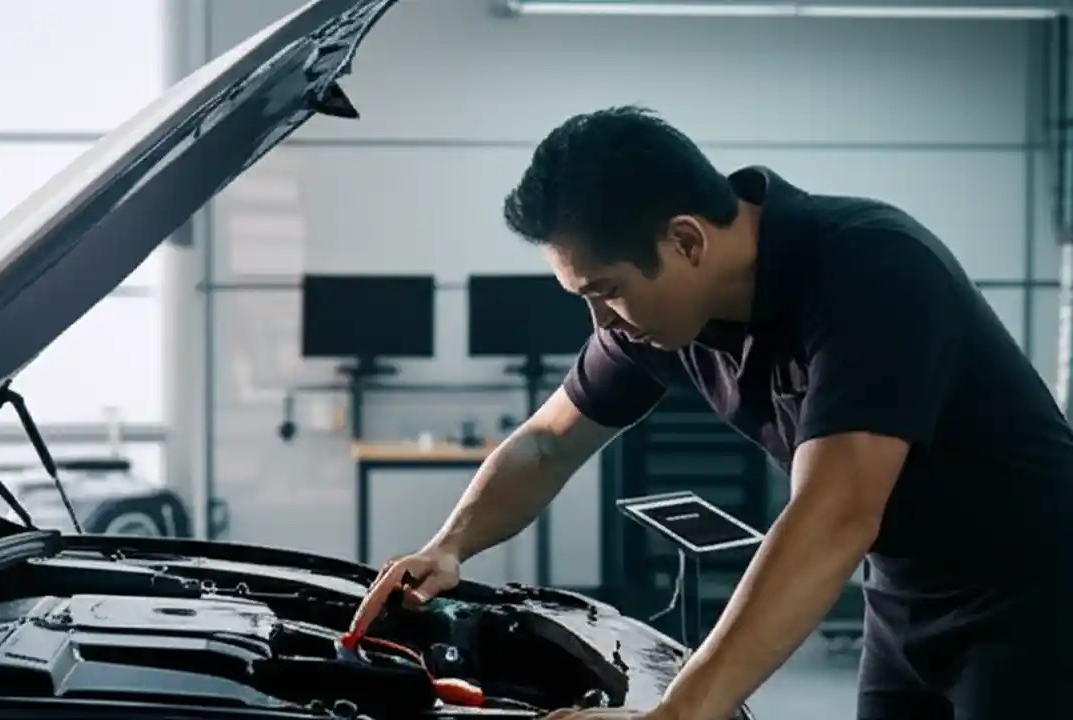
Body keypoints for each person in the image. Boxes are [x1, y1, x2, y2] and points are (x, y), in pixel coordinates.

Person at [346, 106, 1073, 719]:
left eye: (607, 289)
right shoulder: (656, 321)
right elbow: (545, 445)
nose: (602, 320)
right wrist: (450, 545)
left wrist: (678, 714)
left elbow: (836, 514)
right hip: (904, 601)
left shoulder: (872, 269)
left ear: (687, 240)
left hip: (1034, 600)